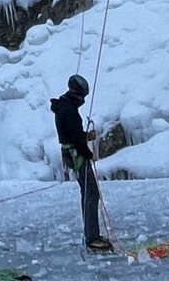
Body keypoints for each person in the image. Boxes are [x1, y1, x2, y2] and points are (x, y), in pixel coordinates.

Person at [50, 74, 114, 252]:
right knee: (91, 192)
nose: (83, 100)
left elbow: (72, 133)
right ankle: (92, 237)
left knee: (88, 192)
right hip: (76, 154)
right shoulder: (69, 110)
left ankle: (91, 234)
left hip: (71, 153)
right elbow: (74, 137)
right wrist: (87, 151)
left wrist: (86, 136)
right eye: (82, 97)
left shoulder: (64, 106)